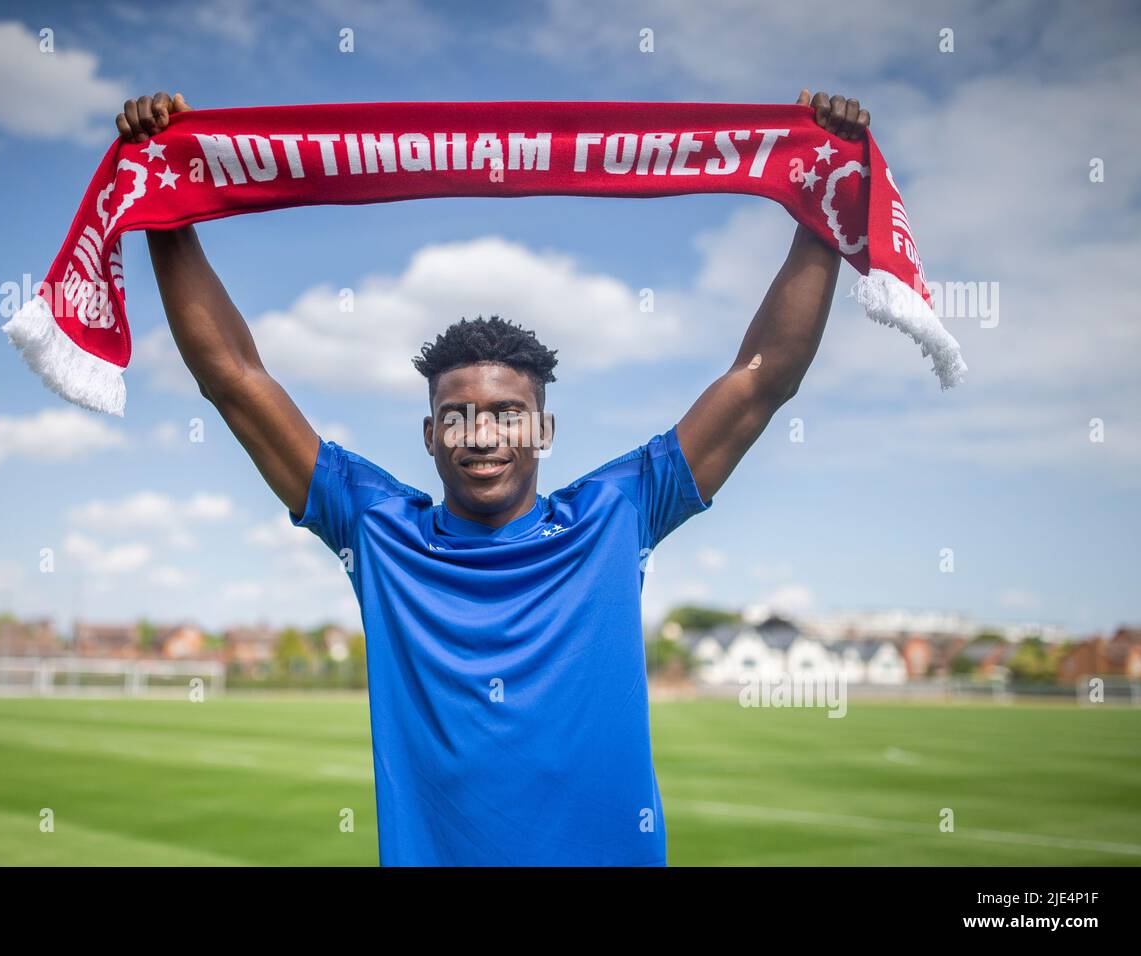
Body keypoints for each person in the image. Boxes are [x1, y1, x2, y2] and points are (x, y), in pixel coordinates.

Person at [117, 89, 870, 866]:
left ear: (543, 429)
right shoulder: (374, 528)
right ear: (428, 435)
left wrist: (823, 198)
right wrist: (166, 200)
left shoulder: (617, 512)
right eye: (458, 416)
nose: (482, 434)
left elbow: (762, 377)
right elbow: (234, 378)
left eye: (508, 413)